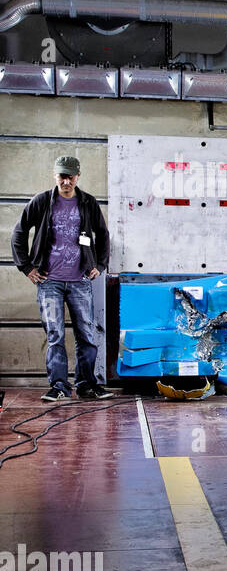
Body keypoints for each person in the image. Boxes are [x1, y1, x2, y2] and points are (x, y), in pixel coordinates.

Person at [10, 156, 111, 401]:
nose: (66, 181)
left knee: (86, 334)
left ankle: (87, 386)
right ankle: (59, 386)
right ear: (55, 176)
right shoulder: (42, 201)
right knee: (55, 334)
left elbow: (103, 235)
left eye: (70, 177)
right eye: (61, 176)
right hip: (49, 281)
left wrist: (99, 264)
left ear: (78, 176)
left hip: (80, 280)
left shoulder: (87, 202)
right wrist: (26, 267)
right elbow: (19, 232)